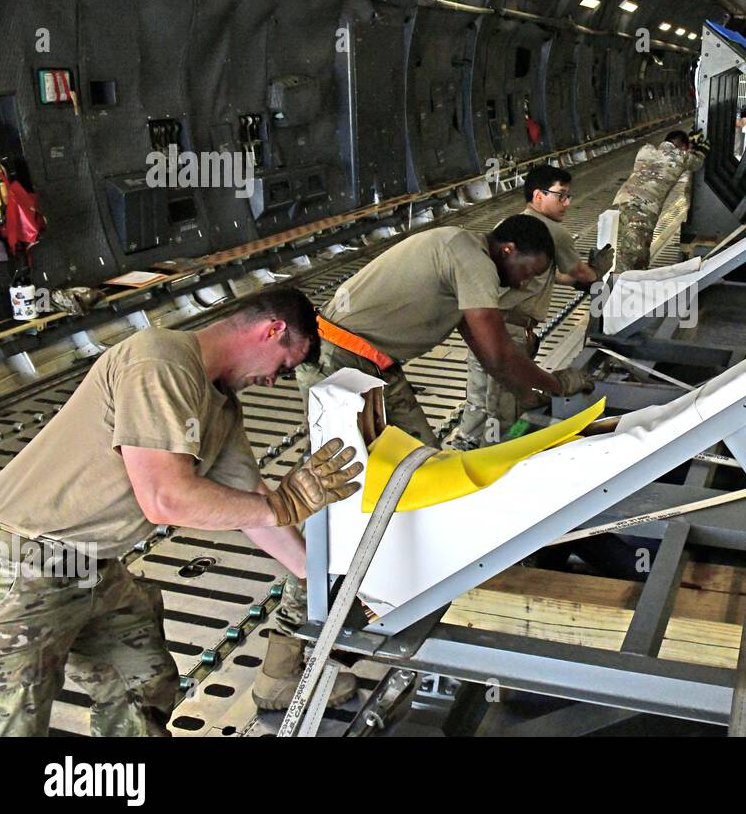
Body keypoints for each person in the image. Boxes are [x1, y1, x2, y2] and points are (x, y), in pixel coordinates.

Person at [259, 215, 596, 709]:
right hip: (343, 363)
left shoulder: (461, 257)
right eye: (529, 269)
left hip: (368, 364)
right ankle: (285, 659)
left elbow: (489, 351)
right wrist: (558, 384)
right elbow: (499, 360)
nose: (527, 281)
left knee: (418, 468)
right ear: (505, 249)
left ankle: (399, 583)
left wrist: (525, 379)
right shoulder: (470, 255)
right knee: (336, 492)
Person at [0, 288, 360, 736]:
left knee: (143, 679)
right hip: (21, 557)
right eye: (284, 366)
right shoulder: (161, 360)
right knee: (13, 716)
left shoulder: (220, 406)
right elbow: (165, 497)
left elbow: (248, 501)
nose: (274, 380)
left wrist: (319, 580)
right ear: (272, 330)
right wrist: (279, 507)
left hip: (89, 561)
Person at [452, 165, 612, 449]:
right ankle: (470, 460)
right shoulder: (553, 232)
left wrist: (575, 284)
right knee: (493, 403)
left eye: (568, 196)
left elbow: (547, 275)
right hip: (506, 330)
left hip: (499, 325)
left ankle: (490, 451)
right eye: (560, 195)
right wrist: (599, 276)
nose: (567, 203)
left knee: (495, 399)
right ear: (538, 195)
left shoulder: (513, 224)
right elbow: (579, 272)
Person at [612, 130, 708, 272]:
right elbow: (697, 163)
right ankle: (620, 286)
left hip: (621, 201)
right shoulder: (679, 156)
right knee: (635, 254)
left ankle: (616, 278)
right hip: (642, 209)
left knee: (620, 246)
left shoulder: (645, 150)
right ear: (682, 147)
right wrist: (700, 149)